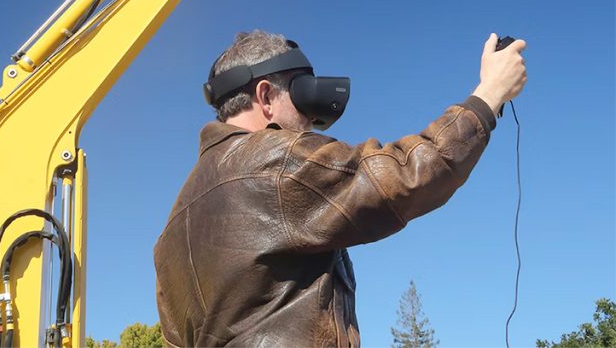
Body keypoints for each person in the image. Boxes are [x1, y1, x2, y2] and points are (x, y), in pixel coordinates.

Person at [153, 30, 527, 347]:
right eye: (301, 98)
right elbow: (405, 175)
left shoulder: (173, 228)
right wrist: (489, 96)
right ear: (266, 97)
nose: (310, 122)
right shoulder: (273, 161)